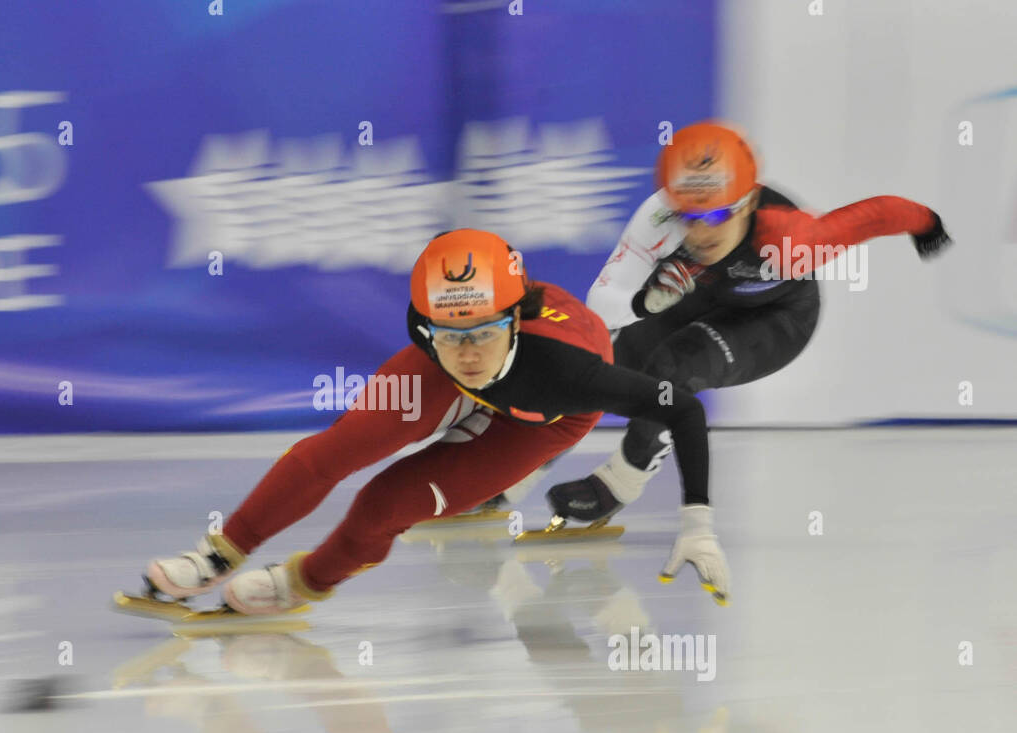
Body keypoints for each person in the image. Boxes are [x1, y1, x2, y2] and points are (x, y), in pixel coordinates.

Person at [145, 229, 731, 615]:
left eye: (483, 333)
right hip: (461, 377)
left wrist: (698, 521)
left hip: (540, 419)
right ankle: (217, 556)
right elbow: (451, 348)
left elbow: (682, 406)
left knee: (386, 503)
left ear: (516, 321)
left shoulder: (567, 372)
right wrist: (452, 350)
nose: (468, 352)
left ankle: (304, 583)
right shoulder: (437, 342)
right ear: (426, 328)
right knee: (339, 450)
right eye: (450, 336)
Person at [548, 120, 953, 524]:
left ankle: (620, 482)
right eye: (689, 215)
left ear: (749, 202)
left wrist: (928, 223)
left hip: (774, 320)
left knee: (673, 370)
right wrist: (643, 304)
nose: (701, 231)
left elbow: (874, 216)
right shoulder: (658, 217)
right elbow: (600, 311)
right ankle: (527, 455)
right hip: (697, 298)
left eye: (718, 214)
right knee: (604, 358)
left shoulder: (791, 241)